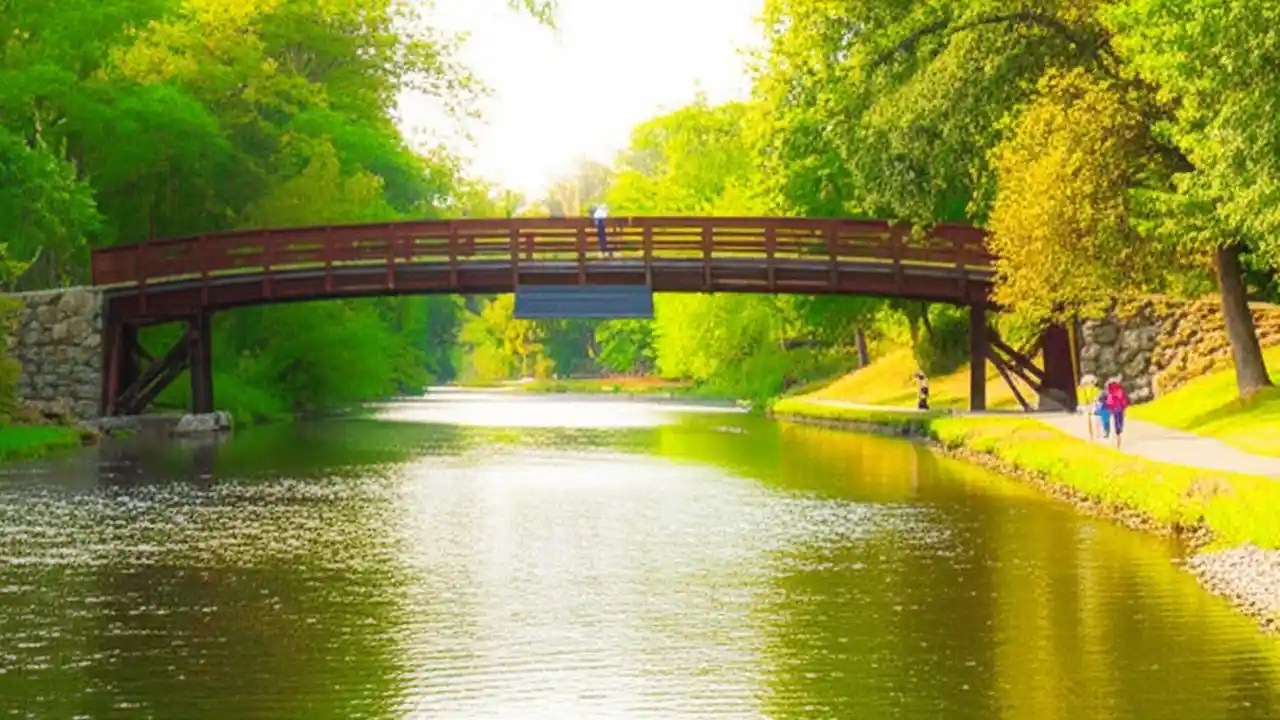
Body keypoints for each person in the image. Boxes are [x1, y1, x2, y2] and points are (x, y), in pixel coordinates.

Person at [1104, 379, 1130, 448]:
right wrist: (1124, 408)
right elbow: (1124, 401)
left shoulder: (1111, 392)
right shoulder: (1120, 391)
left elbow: (1109, 401)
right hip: (1120, 409)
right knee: (1119, 424)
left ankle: (1117, 439)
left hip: (1115, 410)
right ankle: (1118, 438)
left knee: (1116, 425)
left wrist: (1110, 409)